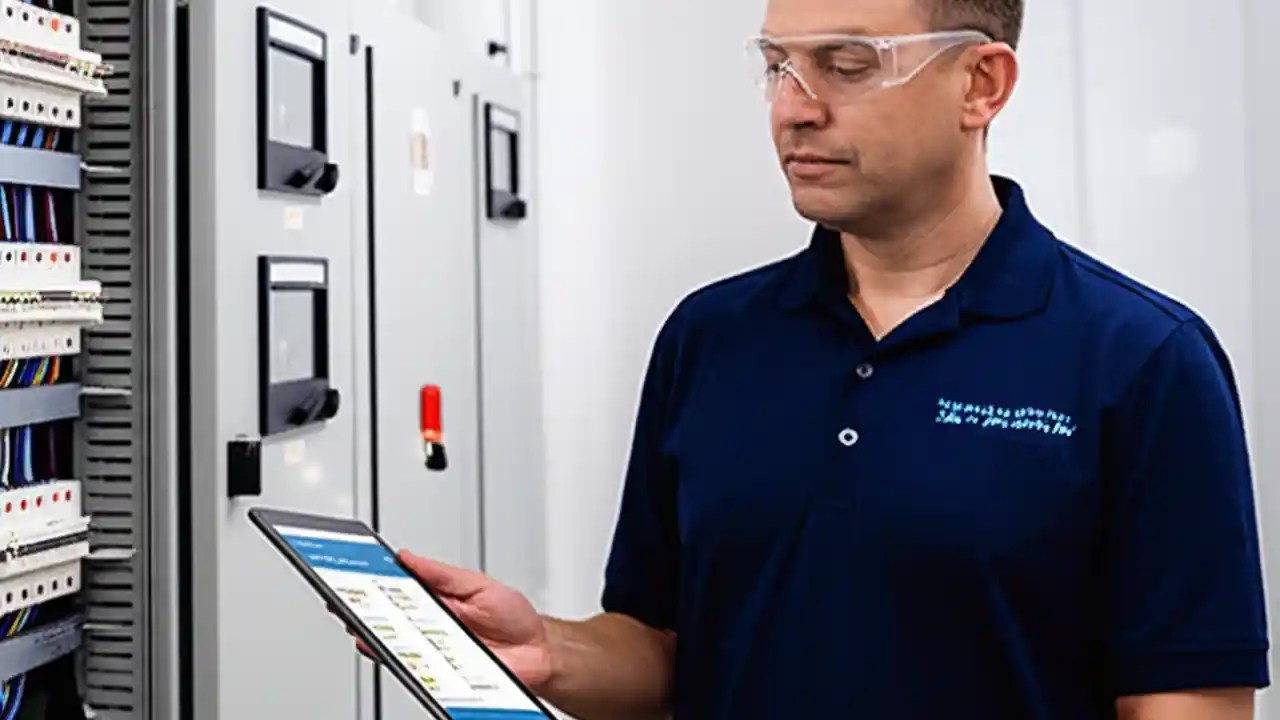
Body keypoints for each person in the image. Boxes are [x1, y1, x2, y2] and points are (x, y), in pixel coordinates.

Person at [381, 0, 1272, 717]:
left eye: (847, 65)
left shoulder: (1144, 358)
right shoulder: (710, 337)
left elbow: (1187, 700)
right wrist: (550, 649)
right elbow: (661, 648)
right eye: (778, 65)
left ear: (981, 84)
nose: (793, 106)